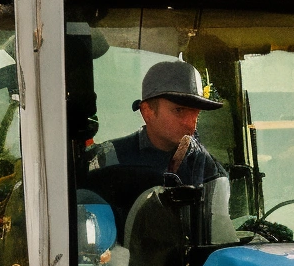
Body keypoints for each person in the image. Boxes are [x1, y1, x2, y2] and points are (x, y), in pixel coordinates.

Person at [91, 59, 225, 190]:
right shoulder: (110, 158)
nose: (191, 123)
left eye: (196, 113)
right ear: (147, 112)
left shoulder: (208, 168)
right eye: (179, 110)